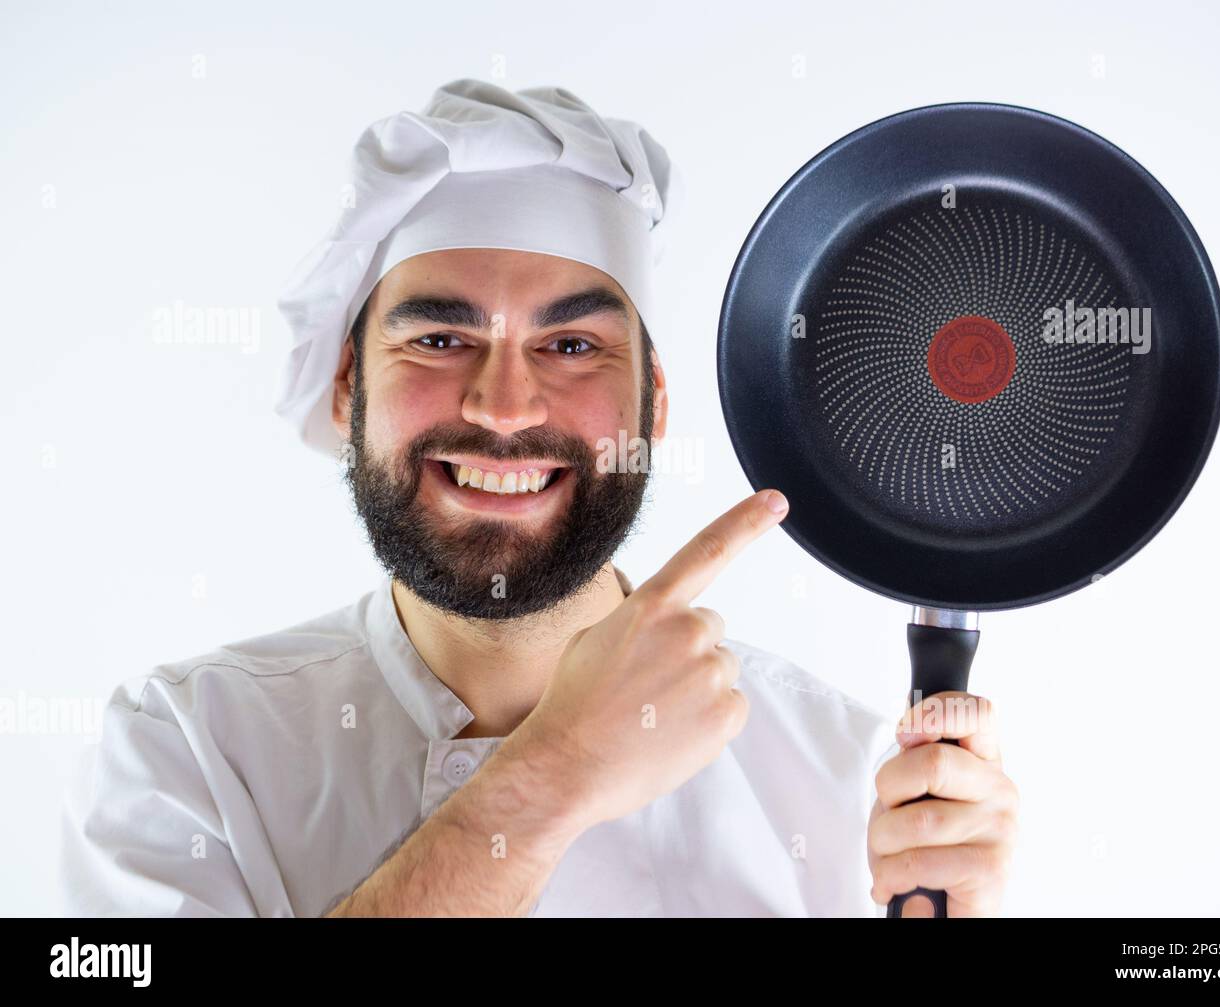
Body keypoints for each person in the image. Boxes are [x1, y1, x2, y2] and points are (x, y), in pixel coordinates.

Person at [58, 79, 1018, 917]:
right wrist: (553, 773)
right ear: (349, 386)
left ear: (654, 402)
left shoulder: (845, 783)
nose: (504, 408)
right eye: (439, 340)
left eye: (570, 346)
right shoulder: (185, 753)